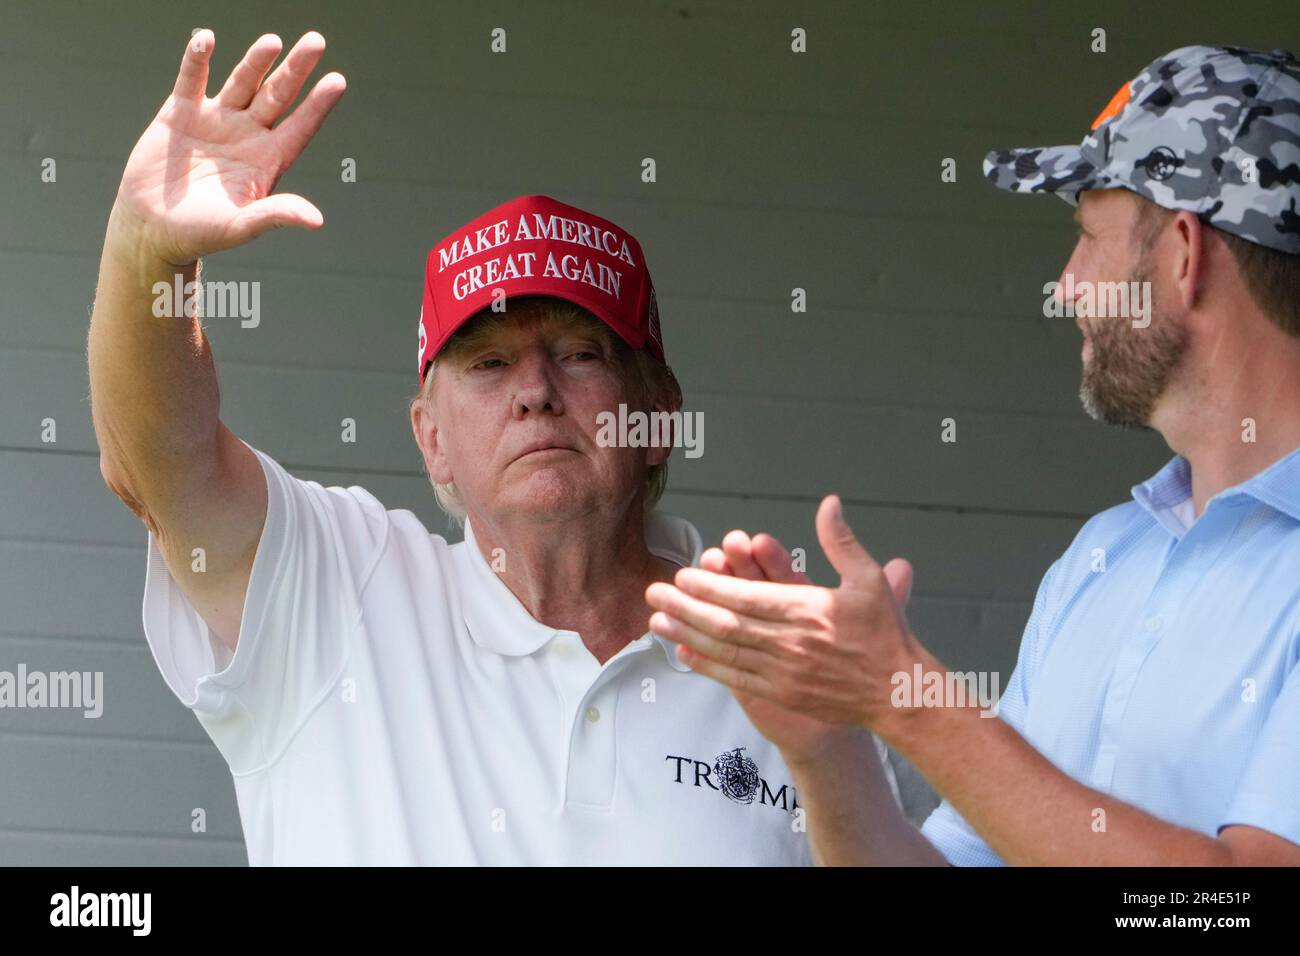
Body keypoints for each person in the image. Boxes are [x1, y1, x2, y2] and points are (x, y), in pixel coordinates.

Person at [88, 29, 896, 865]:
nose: (536, 391)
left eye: (580, 353)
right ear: (430, 440)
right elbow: (156, 467)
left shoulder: (786, 678)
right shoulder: (342, 590)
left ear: (657, 415)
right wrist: (146, 257)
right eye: (489, 362)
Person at [645, 44, 1300, 865]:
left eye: (1087, 237)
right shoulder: (1102, 560)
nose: (1064, 287)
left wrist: (902, 696)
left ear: (1180, 252)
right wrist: (829, 747)